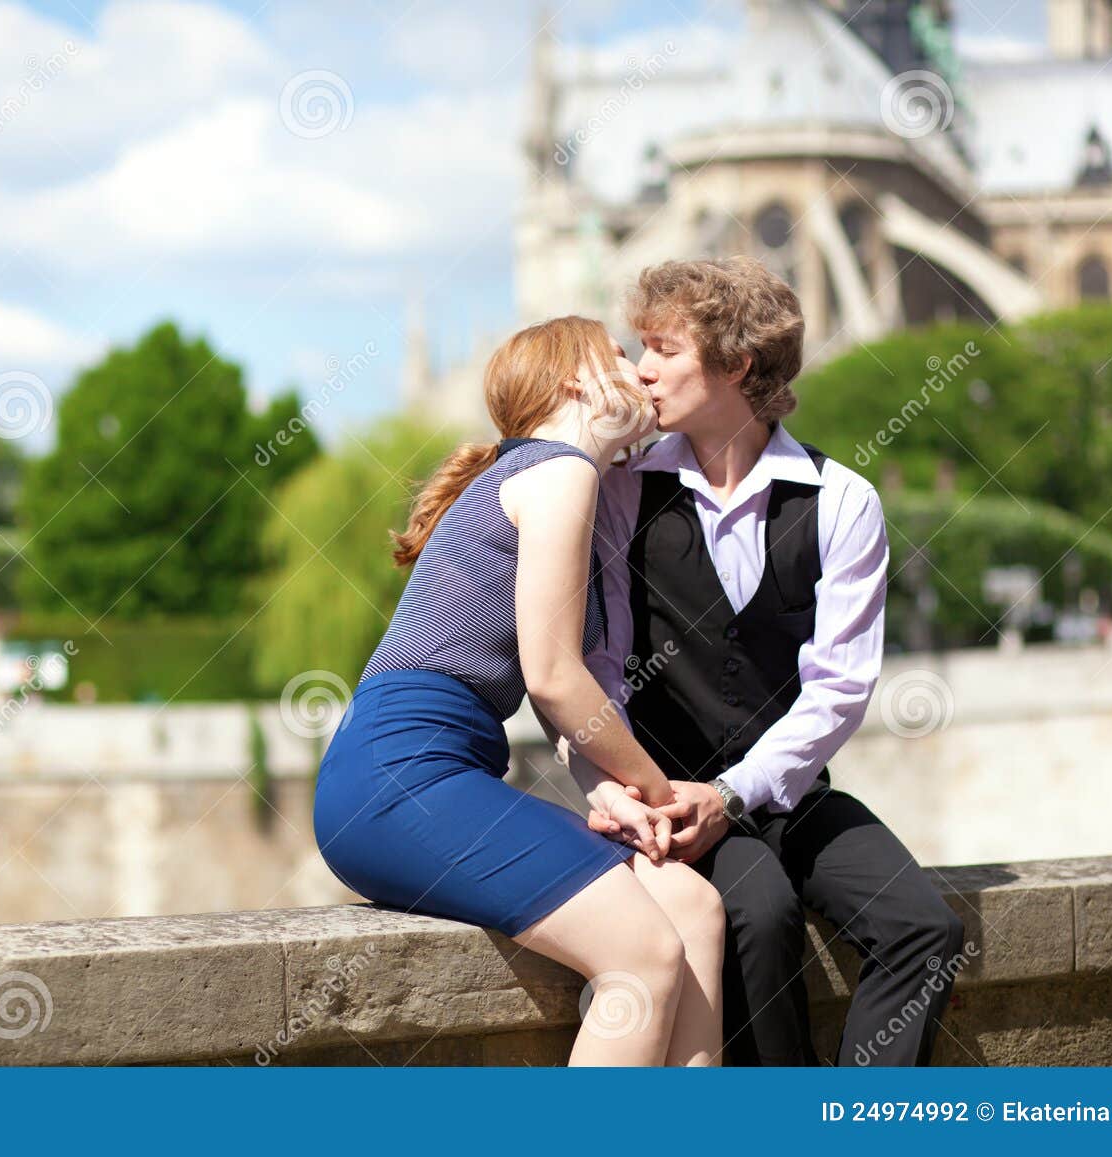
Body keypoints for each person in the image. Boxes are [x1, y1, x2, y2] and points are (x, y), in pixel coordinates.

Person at [578, 258, 967, 1066]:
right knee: (759, 911)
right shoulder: (621, 494)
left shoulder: (842, 501)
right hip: (671, 801)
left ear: (736, 362)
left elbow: (838, 691)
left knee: (927, 930)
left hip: (787, 794)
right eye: (638, 345)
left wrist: (734, 791)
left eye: (663, 348)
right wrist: (634, 791)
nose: (639, 368)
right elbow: (603, 664)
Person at [314, 316, 725, 1066]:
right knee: (640, 954)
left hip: (397, 774)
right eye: (618, 357)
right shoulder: (558, 471)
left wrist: (609, 790)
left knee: (693, 909)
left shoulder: (547, 477)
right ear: (576, 380)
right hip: (400, 777)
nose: (639, 371)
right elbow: (555, 678)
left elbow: (560, 708)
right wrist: (659, 790)